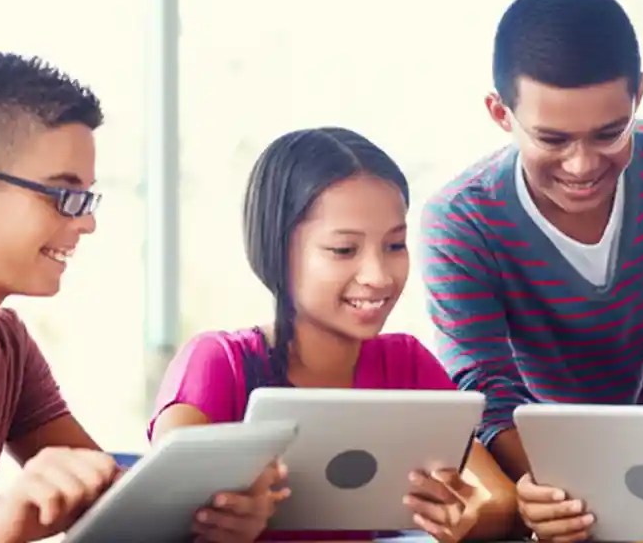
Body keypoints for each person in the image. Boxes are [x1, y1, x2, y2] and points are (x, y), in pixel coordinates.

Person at [422, 0, 643, 540]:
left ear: (639, 95)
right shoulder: (461, 220)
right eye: (552, 139)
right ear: (500, 113)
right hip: (536, 477)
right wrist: (553, 492)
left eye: (610, 133)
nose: (582, 165)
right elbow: (485, 390)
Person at [0, 52, 275, 543]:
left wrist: (214, 507)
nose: (87, 223)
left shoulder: (8, 345)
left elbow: (106, 494)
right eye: (63, 195)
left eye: (87, 198)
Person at [150, 127, 518, 542]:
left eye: (395, 245)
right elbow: (155, 517)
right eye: (344, 250)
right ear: (276, 249)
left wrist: (466, 520)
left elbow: (501, 501)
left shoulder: (406, 364)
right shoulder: (219, 363)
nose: (379, 276)